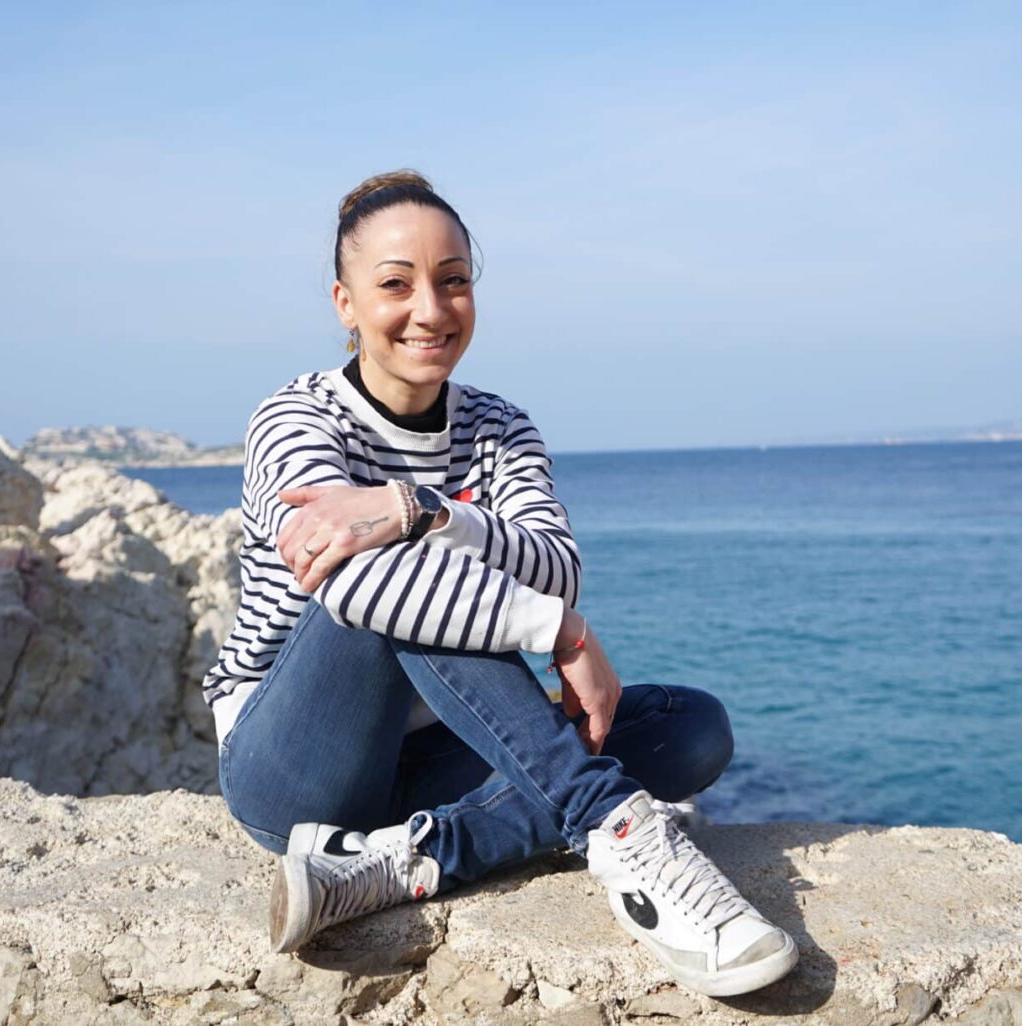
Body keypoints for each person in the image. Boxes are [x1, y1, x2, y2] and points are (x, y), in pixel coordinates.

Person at [202, 170, 798, 997]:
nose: (431, 309)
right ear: (345, 304)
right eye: (395, 285)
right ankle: (618, 832)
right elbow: (357, 591)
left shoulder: (500, 427)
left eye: (453, 282)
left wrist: (421, 508)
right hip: (298, 764)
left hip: (446, 750)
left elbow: (558, 562)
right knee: (387, 579)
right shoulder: (297, 422)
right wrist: (559, 632)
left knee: (691, 729)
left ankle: (404, 857)